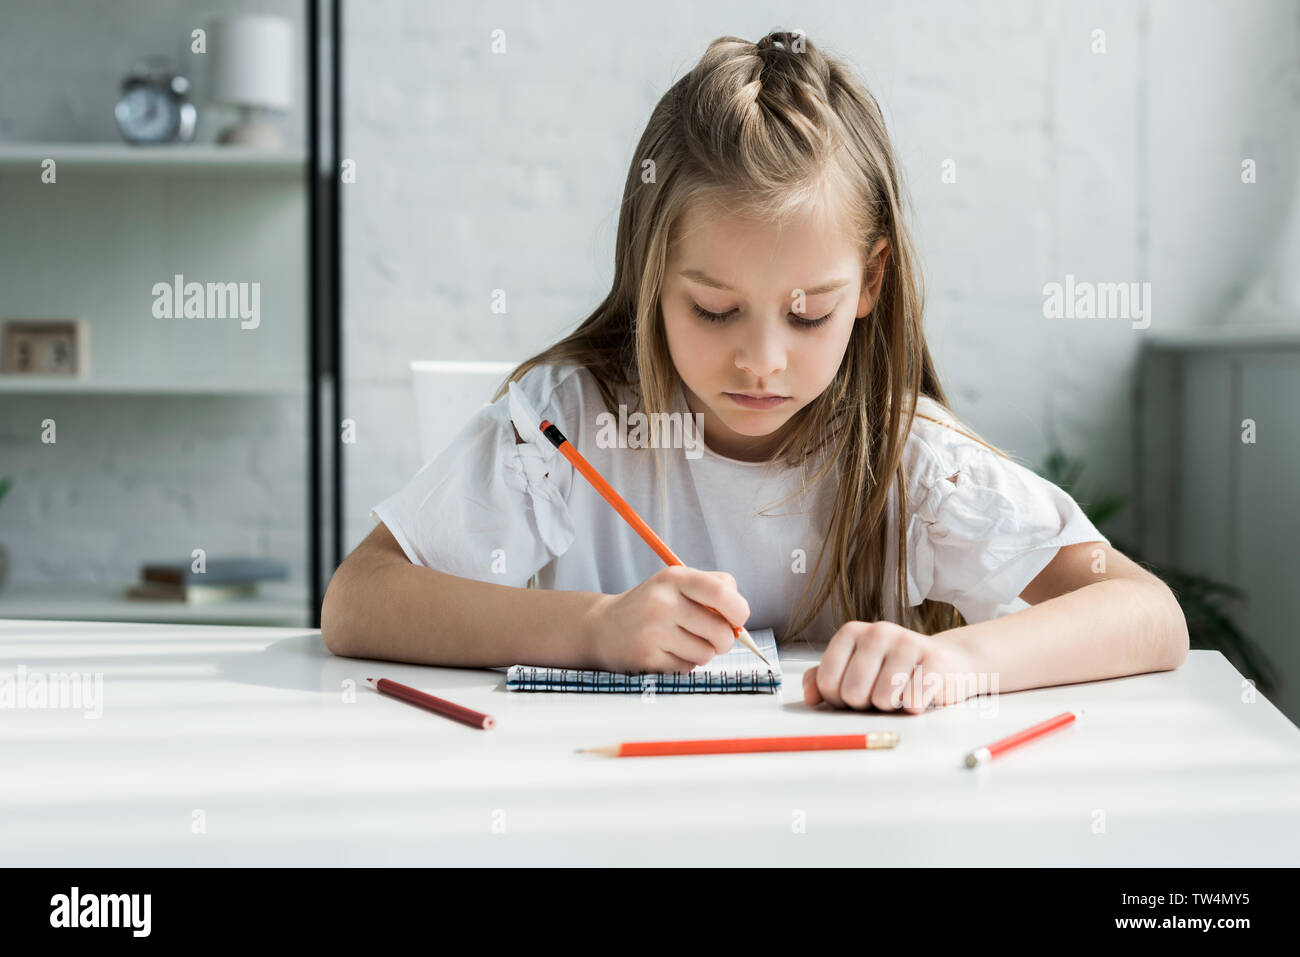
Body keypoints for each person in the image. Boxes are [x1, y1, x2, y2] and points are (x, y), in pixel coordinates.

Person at [322, 31, 1188, 713]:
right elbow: (359, 599)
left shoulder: (908, 457)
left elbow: (1148, 613)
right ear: (652, 274)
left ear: (870, 282)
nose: (762, 360)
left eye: (808, 313)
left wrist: (955, 659)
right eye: (713, 308)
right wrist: (592, 628)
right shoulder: (568, 421)